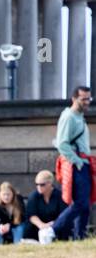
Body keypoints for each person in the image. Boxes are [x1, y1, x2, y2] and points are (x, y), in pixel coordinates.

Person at [51, 85, 93, 241]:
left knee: (85, 204)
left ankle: (79, 237)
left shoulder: (78, 116)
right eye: (83, 99)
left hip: (82, 162)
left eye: (89, 99)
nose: (87, 102)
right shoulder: (69, 117)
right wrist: (78, 162)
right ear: (74, 99)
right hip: (77, 164)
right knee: (80, 203)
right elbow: (62, 144)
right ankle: (52, 230)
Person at [24, 170, 65, 242]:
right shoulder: (33, 196)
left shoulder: (59, 196)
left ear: (50, 183)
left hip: (55, 227)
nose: (39, 187)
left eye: (42, 184)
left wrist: (54, 225)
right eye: (37, 184)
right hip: (36, 229)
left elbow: (63, 213)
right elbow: (32, 215)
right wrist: (42, 225)